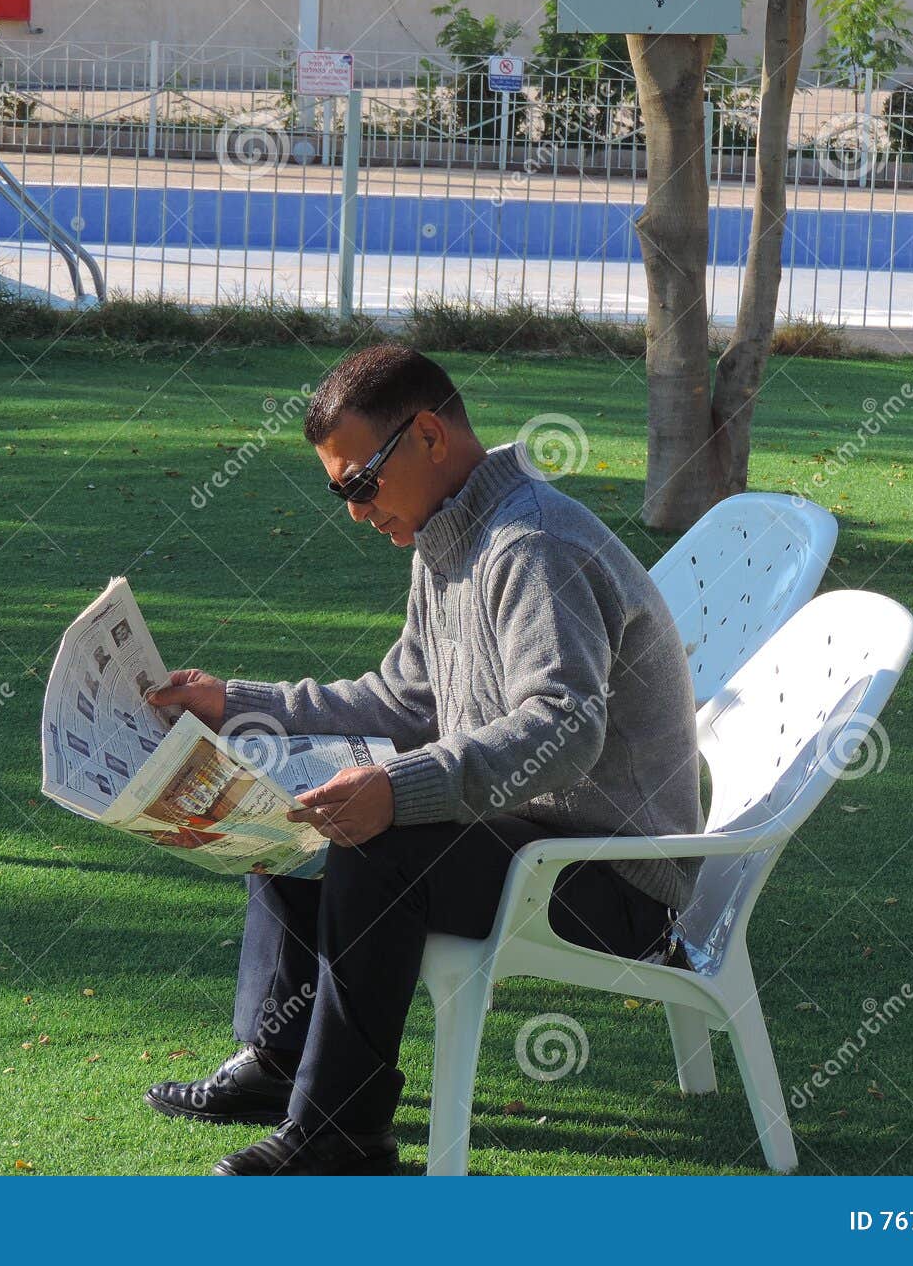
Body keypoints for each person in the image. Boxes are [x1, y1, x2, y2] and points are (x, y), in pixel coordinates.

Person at [144, 344, 700, 1175]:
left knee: (380, 835)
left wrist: (397, 791)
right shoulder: (446, 538)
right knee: (295, 793)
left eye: (360, 483)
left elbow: (563, 729)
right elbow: (408, 701)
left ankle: (344, 1132)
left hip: (611, 875)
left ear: (430, 436)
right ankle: (281, 1063)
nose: (354, 509)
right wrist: (240, 705)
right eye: (339, 491)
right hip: (528, 840)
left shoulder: (531, 545)